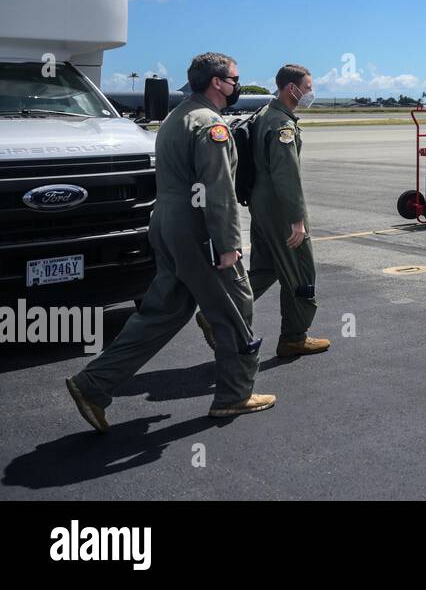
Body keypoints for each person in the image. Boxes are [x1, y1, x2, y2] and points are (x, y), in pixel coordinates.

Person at [66, 53, 274, 432]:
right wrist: (228, 243)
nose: (237, 85)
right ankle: (235, 395)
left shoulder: (177, 117)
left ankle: (93, 384)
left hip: (167, 222)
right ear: (216, 82)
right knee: (234, 305)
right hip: (198, 228)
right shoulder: (212, 126)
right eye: (234, 79)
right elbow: (218, 190)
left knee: (164, 311)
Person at [247, 64, 330, 357]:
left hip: (261, 205)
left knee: (265, 268)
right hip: (282, 209)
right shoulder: (281, 124)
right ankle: (294, 337)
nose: (310, 92)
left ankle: (219, 313)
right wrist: (297, 220)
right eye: (307, 87)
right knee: (301, 271)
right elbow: (287, 175)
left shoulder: (263, 115)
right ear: (290, 88)